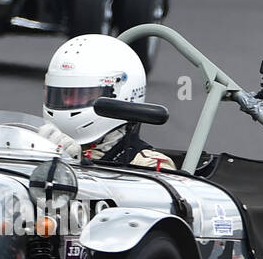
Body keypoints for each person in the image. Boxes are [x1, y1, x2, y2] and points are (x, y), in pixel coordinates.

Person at [42, 34, 176, 171]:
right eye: (62, 94)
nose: (67, 101)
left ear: (120, 95)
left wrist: (77, 167)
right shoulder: (40, 148)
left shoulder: (148, 165)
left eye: (82, 95)